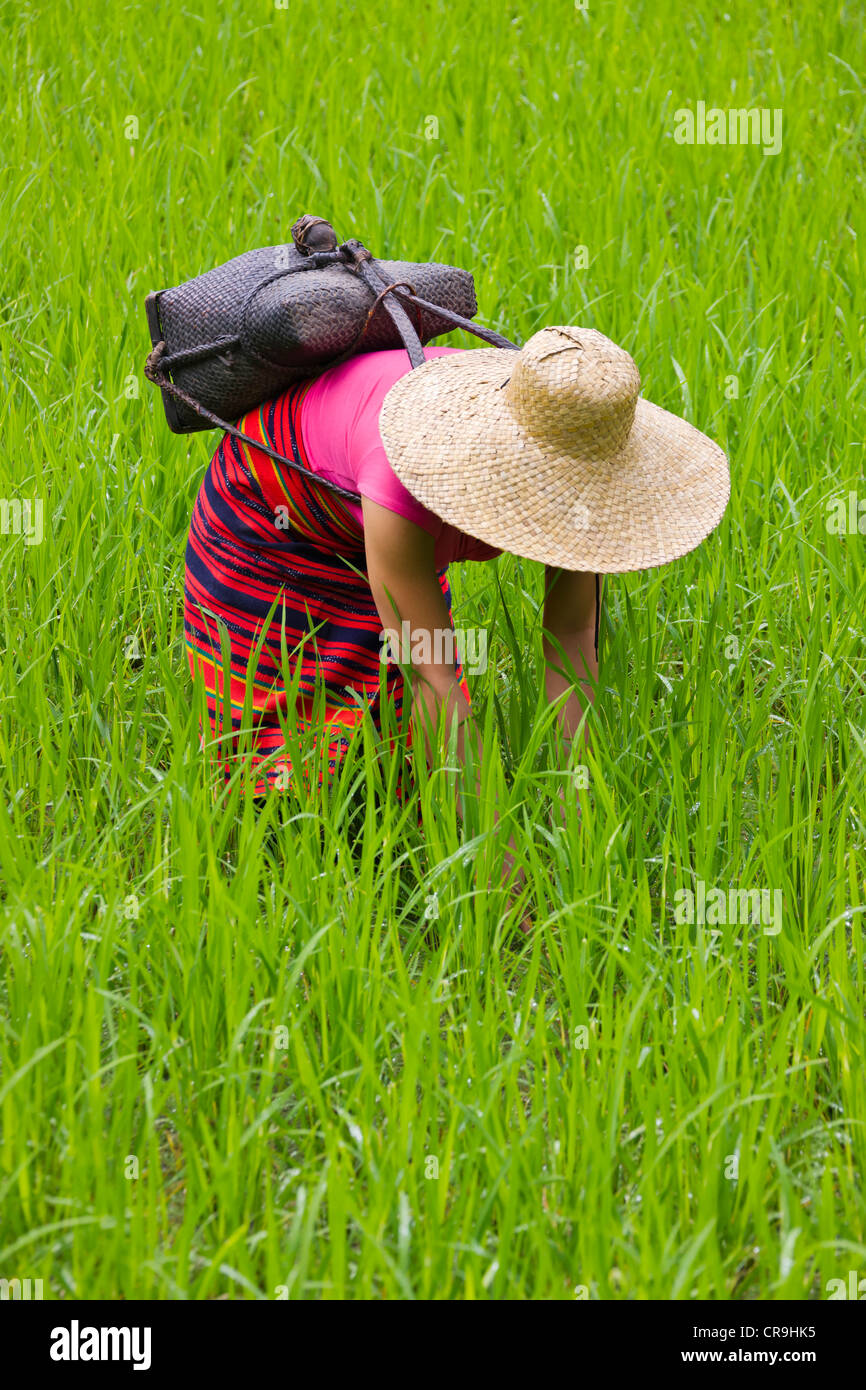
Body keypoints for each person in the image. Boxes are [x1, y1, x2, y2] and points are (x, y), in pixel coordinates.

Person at [183, 324, 729, 905]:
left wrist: (577, 824)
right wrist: (495, 858)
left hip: (376, 515)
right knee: (293, 777)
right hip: (269, 519)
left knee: (399, 758)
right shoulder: (412, 472)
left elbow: (572, 640)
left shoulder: (582, 458)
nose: (571, 501)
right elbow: (435, 672)